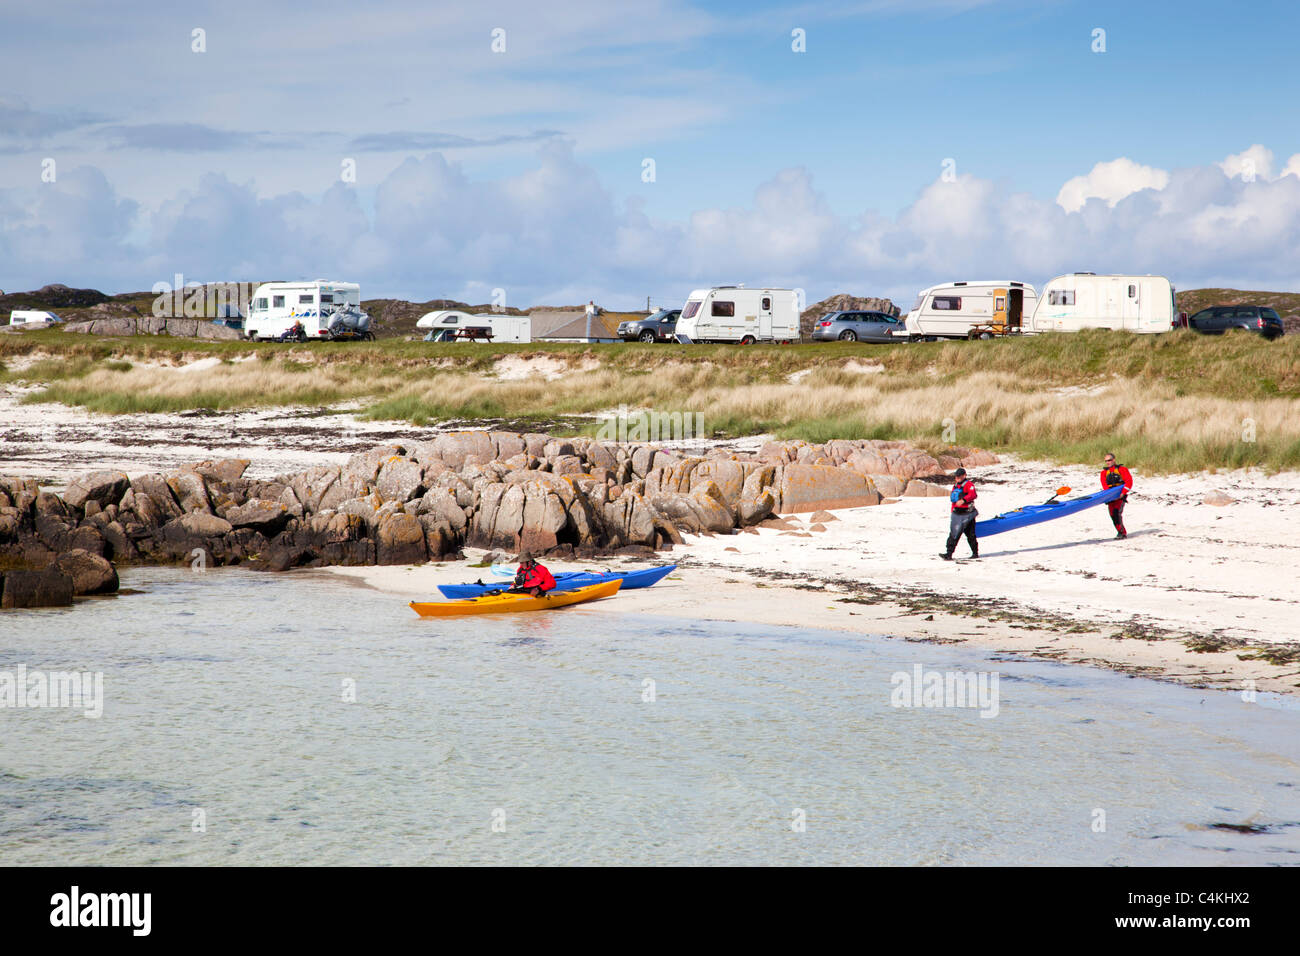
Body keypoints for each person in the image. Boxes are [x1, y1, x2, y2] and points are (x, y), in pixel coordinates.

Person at [940, 467, 978, 560]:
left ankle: (975, 553)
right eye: (956, 476)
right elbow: (954, 501)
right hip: (957, 514)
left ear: (964, 475)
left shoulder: (969, 485)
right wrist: (953, 511)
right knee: (953, 534)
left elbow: (973, 495)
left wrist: (964, 500)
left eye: (959, 476)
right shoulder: (955, 486)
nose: (957, 478)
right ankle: (948, 554)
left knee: (970, 535)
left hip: (968, 514)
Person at [1100, 453, 1133, 539]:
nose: (1108, 462)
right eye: (1106, 461)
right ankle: (1119, 532)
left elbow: (1129, 482)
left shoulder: (1122, 469)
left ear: (1114, 460)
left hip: (1120, 496)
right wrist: (1108, 496)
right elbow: (1105, 486)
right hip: (1111, 497)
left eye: (1109, 460)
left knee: (1116, 513)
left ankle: (1122, 533)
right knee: (1112, 515)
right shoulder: (1104, 473)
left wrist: (1123, 493)